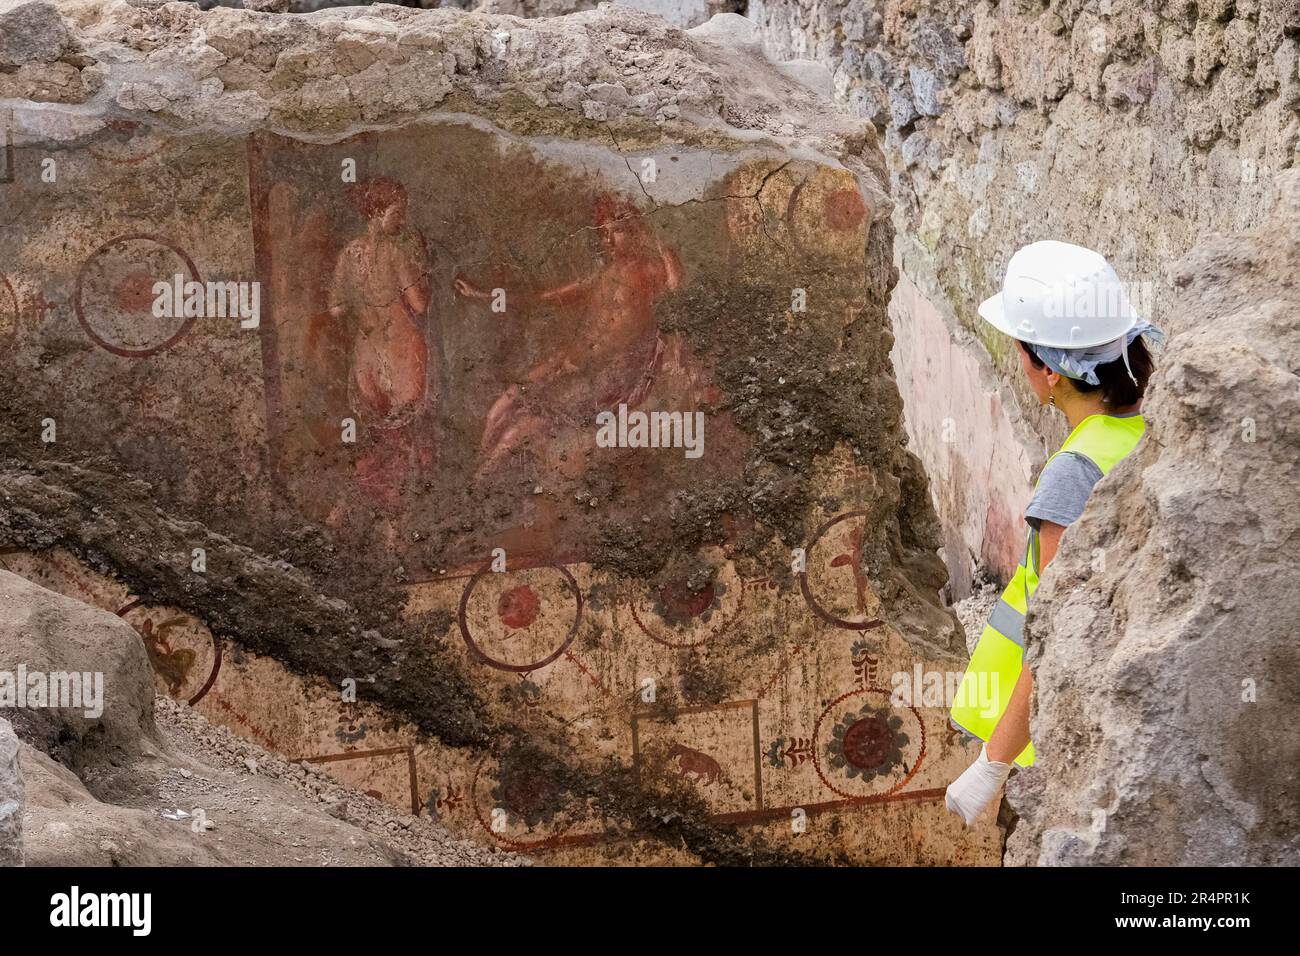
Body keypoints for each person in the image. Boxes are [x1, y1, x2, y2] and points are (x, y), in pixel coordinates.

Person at [945, 241, 1163, 826]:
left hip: (1050, 740)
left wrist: (992, 763)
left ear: (1048, 369)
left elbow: (1059, 634)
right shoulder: (1150, 427)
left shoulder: (1072, 472)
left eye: (1020, 351)